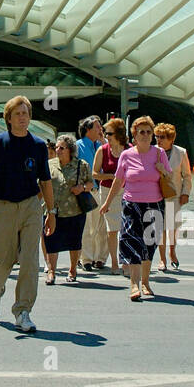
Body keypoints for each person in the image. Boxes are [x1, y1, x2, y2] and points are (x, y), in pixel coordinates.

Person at [0, 95, 56, 333]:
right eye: (18, 114)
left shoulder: (39, 145)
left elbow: (45, 180)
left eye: (26, 113)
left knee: (30, 262)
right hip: (3, 207)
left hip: (31, 206)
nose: (22, 118)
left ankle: (23, 311)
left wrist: (51, 211)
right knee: (2, 262)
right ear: (9, 119)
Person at [101, 116, 169, 301]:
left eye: (149, 132)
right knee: (132, 243)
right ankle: (134, 284)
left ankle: (145, 282)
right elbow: (118, 180)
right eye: (142, 132)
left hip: (154, 204)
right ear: (134, 135)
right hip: (131, 204)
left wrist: (162, 169)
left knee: (149, 245)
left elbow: (168, 177)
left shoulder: (159, 153)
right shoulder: (127, 155)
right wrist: (107, 203)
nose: (146, 135)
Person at [45, 133, 91, 284]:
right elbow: (42, 184)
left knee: (74, 241)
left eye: (62, 148)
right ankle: (51, 271)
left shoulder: (81, 165)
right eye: (57, 147)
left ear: (70, 149)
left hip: (75, 210)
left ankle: (73, 270)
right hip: (53, 210)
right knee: (51, 240)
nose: (58, 150)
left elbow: (90, 183)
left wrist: (82, 187)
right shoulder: (50, 164)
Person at [154, 123, 192, 271]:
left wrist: (185, 193)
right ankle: (162, 258)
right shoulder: (153, 152)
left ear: (171, 139)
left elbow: (187, 176)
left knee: (173, 227)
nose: (159, 140)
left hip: (174, 195)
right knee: (161, 227)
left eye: (162, 137)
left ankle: (172, 251)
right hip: (156, 194)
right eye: (157, 137)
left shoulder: (181, 153)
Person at [93, 118, 127, 273]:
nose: (107, 136)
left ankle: (125, 261)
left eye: (110, 133)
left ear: (119, 134)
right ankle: (114, 262)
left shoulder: (129, 149)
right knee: (112, 229)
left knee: (127, 228)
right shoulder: (103, 150)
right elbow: (94, 174)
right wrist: (110, 176)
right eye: (106, 133)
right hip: (107, 192)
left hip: (127, 191)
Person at [76, 116, 108, 271]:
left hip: (104, 190)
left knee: (102, 227)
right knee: (88, 227)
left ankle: (100, 258)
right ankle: (87, 259)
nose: (100, 129)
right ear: (87, 129)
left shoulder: (102, 146)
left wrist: (103, 142)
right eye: (97, 127)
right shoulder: (78, 146)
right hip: (88, 190)